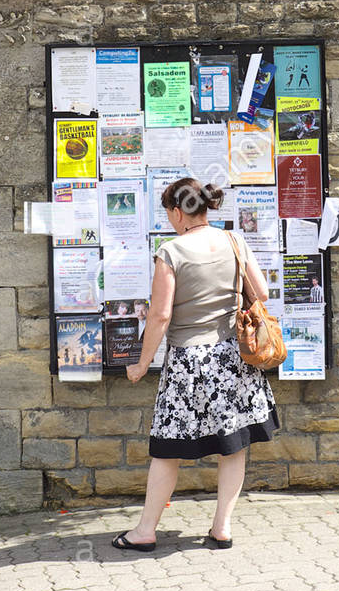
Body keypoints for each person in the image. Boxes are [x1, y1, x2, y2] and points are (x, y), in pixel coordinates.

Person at [113, 177, 278, 553]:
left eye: (168, 213)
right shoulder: (234, 241)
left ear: (176, 211)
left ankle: (145, 531)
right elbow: (263, 293)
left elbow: (160, 316)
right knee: (232, 447)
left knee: (168, 449)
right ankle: (222, 528)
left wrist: (141, 365)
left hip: (188, 362)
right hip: (231, 358)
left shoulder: (171, 252)